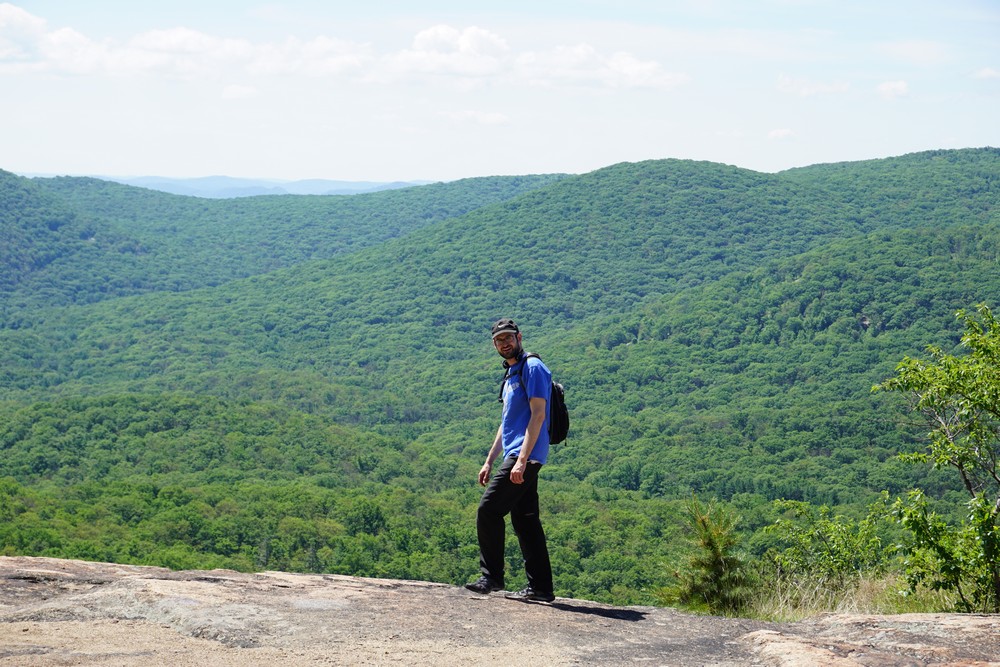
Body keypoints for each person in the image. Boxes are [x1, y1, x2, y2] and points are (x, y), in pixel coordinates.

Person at [465, 317, 555, 602]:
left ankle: (492, 577)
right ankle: (541, 588)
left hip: (525, 455)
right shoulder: (511, 374)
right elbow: (506, 423)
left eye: (508, 337)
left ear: (519, 337)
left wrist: (522, 460)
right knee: (526, 521)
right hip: (516, 455)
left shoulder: (533, 367)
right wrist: (489, 461)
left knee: (488, 510)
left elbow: (538, 415)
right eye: (499, 340)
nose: (504, 343)